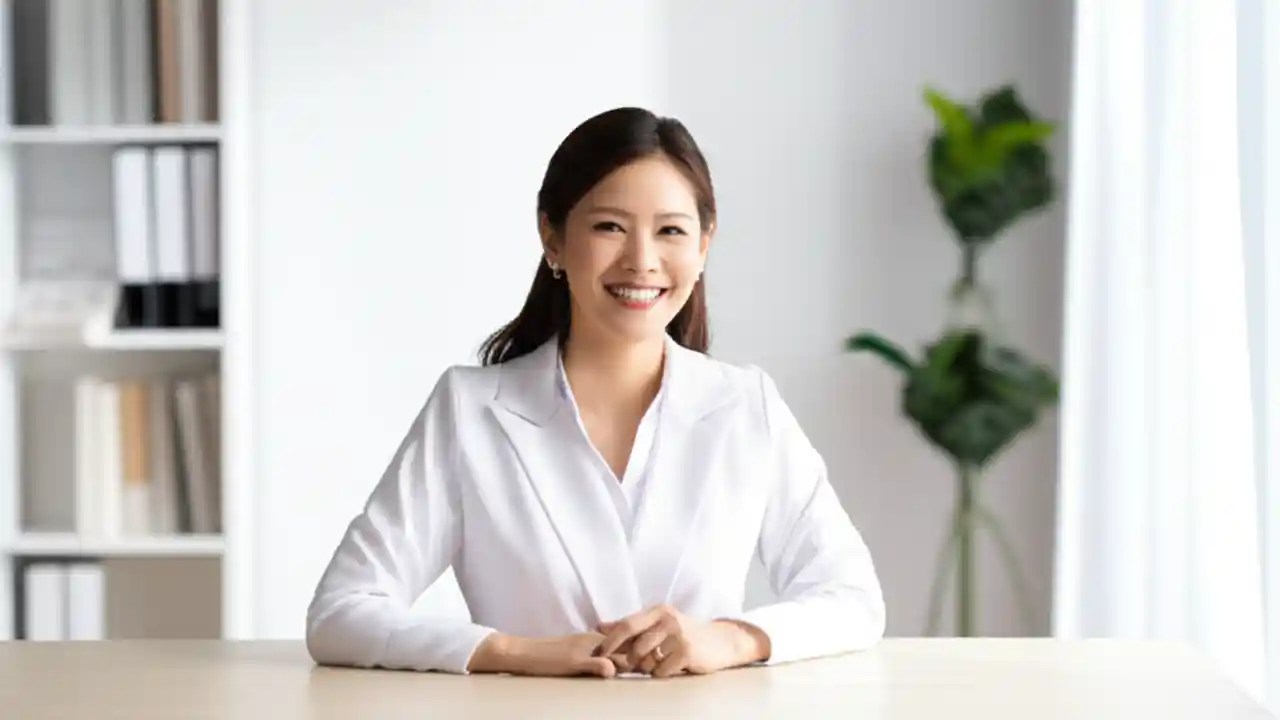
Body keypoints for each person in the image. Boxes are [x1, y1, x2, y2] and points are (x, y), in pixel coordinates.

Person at [305, 107, 885, 679]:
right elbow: (341, 611)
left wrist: (729, 640)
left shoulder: (745, 406)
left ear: (704, 245)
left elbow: (853, 599)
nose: (641, 261)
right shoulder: (470, 409)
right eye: (610, 226)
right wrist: (515, 653)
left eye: (671, 231)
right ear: (552, 237)